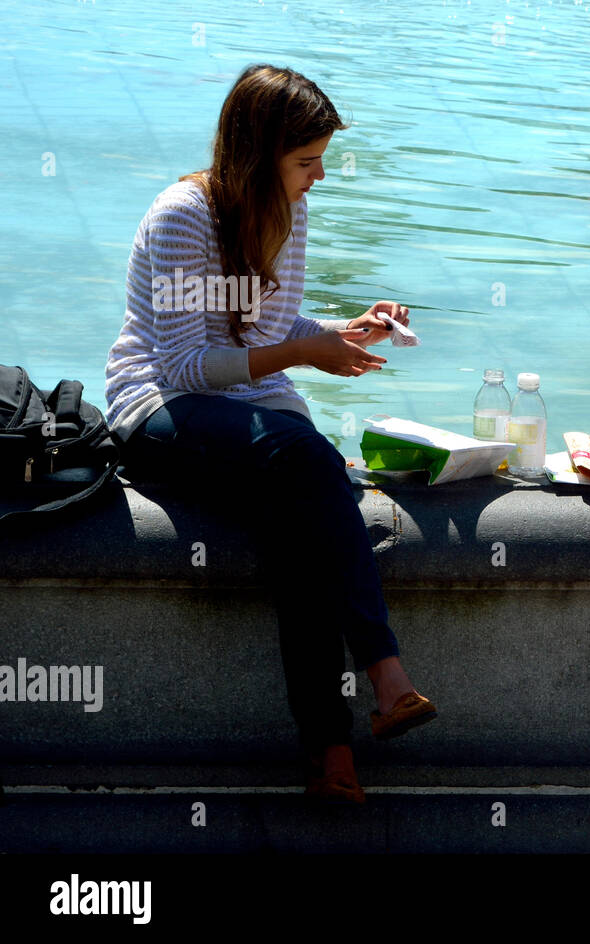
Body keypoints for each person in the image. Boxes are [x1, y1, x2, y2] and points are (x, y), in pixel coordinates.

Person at [104, 64, 436, 805]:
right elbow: (186, 366)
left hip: (251, 413)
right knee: (306, 460)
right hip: (155, 406)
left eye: (319, 160)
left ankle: (331, 758)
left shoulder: (288, 210)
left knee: (304, 514)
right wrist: (298, 354)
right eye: (305, 162)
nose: (318, 178)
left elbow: (273, 325)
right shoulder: (182, 216)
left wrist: (345, 329)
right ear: (260, 156)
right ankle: (385, 671)